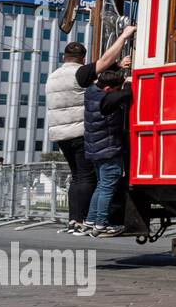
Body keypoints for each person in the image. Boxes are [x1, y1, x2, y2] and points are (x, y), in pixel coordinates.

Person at [46, 27, 136, 233]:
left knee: (76, 176)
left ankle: (74, 219)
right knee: (88, 178)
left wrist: (118, 66)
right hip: (80, 132)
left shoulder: (54, 76)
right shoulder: (80, 72)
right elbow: (103, 62)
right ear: (82, 59)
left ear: (64, 56)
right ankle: (88, 219)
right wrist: (124, 36)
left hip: (60, 134)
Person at [82, 66, 134, 236]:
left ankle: (90, 221)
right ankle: (101, 225)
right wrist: (128, 85)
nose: (118, 92)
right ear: (107, 89)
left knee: (100, 186)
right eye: (115, 89)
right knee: (106, 188)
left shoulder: (90, 91)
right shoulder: (106, 100)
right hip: (108, 150)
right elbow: (126, 95)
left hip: (95, 150)